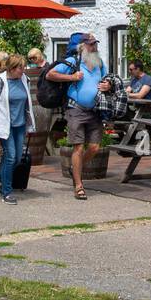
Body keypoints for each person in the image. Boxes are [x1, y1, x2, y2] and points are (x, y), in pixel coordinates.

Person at [45, 32, 110, 200]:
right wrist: (71, 77)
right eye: (90, 44)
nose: (94, 47)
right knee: (78, 147)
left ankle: (75, 169)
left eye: (95, 44)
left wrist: (107, 85)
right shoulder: (74, 62)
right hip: (76, 110)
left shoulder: (99, 63)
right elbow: (50, 74)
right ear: (82, 47)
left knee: (95, 148)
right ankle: (79, 185)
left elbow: (106, 79)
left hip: (95, 110)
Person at [0, 53, 37, 204]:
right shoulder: (0, 82)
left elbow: (28, 105)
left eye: (23, 67)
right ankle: (6, 192)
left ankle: (0, 176)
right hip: (4, 126)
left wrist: (30, 125)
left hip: (19, 125)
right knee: (11, 156)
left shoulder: (24, 80)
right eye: (20, 67)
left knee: (17, 157)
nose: (23, 70)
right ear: (11, 68)